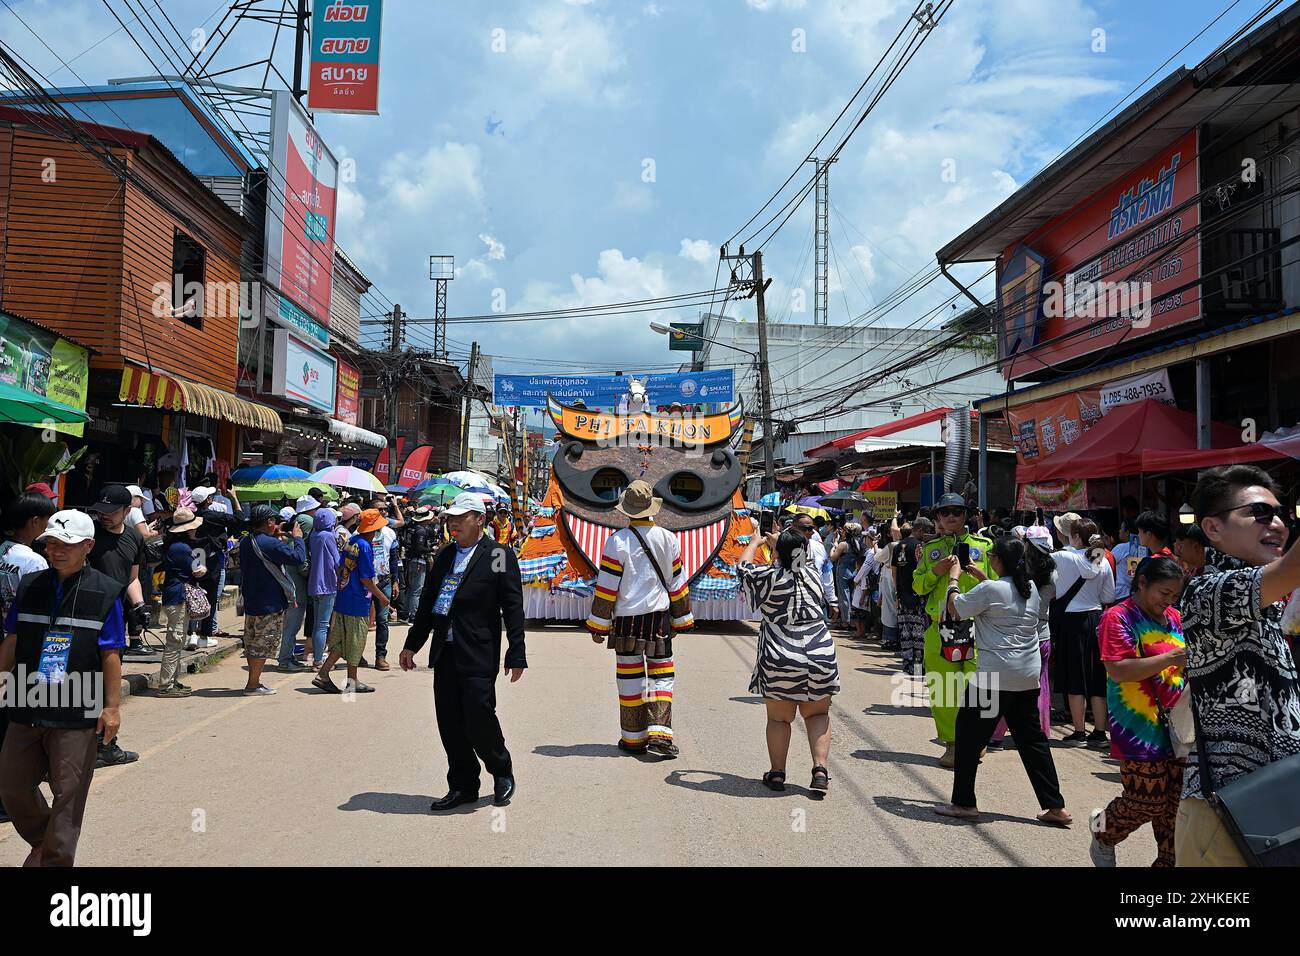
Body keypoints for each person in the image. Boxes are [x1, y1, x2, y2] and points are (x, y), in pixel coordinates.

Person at [1176, 465, 1300, 866]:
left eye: (1283, 514)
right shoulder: (1206, 592)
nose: (1278, 524)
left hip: (1278, 806)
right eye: (1260, 513)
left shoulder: (1272, 603)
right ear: (1213, 529)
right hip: (1225, 813)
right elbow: (1292, 569)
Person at [0, 509, 125, 866]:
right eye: (51, 543)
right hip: (27, 695)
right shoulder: (31, 584)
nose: (56, 551)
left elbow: (111, 653)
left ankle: (54, 861)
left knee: (68, 792)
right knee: (11, 784)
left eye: (65, 545)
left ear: (88, 546)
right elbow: (13, 638)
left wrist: (112, 707)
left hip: (77, 700)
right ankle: (42, 840)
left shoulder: (106, 591)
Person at [933, 536, 1072, 826]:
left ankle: (964, 803)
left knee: (969, 737)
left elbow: (956, 607)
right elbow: (1003, 596)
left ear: (997, 559)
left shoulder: (991, 589)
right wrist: (984, 578)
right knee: (1032, 741)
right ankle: (1055, 805)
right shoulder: (1030, 587)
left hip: (993, 677)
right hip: (1026, 674)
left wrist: (954, 580)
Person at [402, 492, 526, 811]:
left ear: (479, 520)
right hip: (446, 649)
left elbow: (512, 605)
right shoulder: (444, 555)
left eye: (461, 517)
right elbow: (429, 602)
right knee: (450, 720)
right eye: (451, 518)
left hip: (479, 650)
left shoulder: (498, 554)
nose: (453, 523)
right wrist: (412, 644)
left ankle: (501, 771)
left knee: (478, 714)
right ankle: (463, 785)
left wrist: (516, 652)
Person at [1090, 555, 1188, 867]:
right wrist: (1172, 658)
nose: (1169, 601)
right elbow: (1119, 669)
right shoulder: (1117, 617)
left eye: (1174, 595)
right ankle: (1102, 829)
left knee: (1176, 808)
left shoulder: (1174, 617)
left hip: (1180, 726)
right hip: (1138, 727)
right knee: (1146, 802)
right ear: (1142, 583)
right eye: (1164, 593)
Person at [585, 480, 693, 757]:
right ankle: (661, 734)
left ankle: (633, 739)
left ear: (627, 511)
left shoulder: (616, 542)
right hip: (658, 620)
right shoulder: (669, 539)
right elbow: (677, 582)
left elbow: (607, 587)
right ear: (651, 508)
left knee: (630, 680)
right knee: (662, 676)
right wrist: (680, 619)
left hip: (626, 623)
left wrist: (599, 624)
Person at [738, 528, 839, 794]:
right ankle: (820, 770)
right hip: (820, 653)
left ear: (777, 554)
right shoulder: (812, 575)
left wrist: (755, 542)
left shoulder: (768, 577)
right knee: (817, 713)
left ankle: (777, 773)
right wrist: (781, 546)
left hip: (781, 654)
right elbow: (797, 561)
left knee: (780, 719)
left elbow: (743, 568)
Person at [913, 493, 995, 768]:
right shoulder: (930, 549)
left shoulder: (985, 547)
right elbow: (918, 587)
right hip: (941, 629)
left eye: (957, 512)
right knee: (944, 689)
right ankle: (952, 744)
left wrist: (980, 577)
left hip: (978, 628)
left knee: (979, 687)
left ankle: (978, 739)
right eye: (945, 512)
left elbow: (1000, 587)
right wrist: (935, 571)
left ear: (965, 515)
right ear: (937, 518)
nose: (951, 516)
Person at [85, 485, 145, 768]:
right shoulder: (88, 534)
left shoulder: (134, 536)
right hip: (83, 618)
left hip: (114, 620)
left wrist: (139, 605)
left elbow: (131, 578)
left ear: (127, 511)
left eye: (111, 512)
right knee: (82, 681)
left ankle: (104, 745)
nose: (104, 516)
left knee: (107, 681)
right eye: (101, 511)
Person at [1050, 516, 1115, 747]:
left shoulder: (1062, 557)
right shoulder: (1103, 559)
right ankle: (1099, 732)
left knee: (1074, 677)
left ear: (1075, 536)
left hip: (1071, 621)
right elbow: (1109, 597)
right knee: (1097, 677)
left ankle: (1078, 732)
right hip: (1096, 619)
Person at [313, 508, 390, 694]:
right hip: (357, 601)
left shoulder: (352, 541)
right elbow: (366, 579)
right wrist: (382, 597)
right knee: (355, 641)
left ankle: (324, 674)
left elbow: (340, 568)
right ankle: (351, 681)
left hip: (343, 597)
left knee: (341, 641)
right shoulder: (364, 546)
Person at [238, 505, 305, 696]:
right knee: (263, 644)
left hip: (252, 600)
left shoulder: (246, 541)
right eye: (274, 521)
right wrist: (298, 538)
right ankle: (252, 685)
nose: (276, 524)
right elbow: (298, 558)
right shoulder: (271, 544)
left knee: (252, 643)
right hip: (269, 602)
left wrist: (276, 537)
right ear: (268, 522)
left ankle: (254, 681)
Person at [156, 507, 206, 698]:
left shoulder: (177, 546)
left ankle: (171, 682)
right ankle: (166, 685)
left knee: (177, 640)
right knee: (175, 640)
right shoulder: (182, 548)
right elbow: (198, 571)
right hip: (177, 597)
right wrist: (203, 568)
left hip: (175, 595)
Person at [278, 495, 319, 672]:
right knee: (291, 626)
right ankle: (285, 660)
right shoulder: (301, 534)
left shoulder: (292, 536)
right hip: (296, 590)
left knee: (291, 626)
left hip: (293, 587)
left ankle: (287, 658)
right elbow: (302, 566)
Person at [895, 516, 931, 676]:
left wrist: (897, 594)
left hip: (903, 597)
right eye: (927, 532)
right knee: (919, 637)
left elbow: (894, 572)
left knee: (905, 635)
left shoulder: (898, 546)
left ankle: (907, 667)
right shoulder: (920, 547)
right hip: (918, 598)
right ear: (920, 530)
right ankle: (917, 669)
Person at [367, 499, 399, 671]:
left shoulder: (389, 533)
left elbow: (394, 558)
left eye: (386, 509)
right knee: (358, 621)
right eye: (380, 509)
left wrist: (395, 581)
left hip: (385, 580)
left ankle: (381, 656)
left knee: (382, 621)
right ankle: (355, 656)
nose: (385, 512)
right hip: (363, 583)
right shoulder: (359, 533)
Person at [307, 507, 340, 669]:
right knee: (323, 624)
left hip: (314, 583)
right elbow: (337, 561)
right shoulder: (328, 536)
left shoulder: (313, 535)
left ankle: (317, 656)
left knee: (317, 624)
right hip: (328, 583)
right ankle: (318, 660)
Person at [789, 513, 839, 620]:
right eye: (803, 528)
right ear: (793, 528)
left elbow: (827, 575)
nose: (808, 532)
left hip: (817, 602)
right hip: (791, 603)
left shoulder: (819, 547)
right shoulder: (784, 546)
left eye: (810, 528)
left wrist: (832, 601)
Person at [1111, 520, 1148, 601]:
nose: (1119, 531)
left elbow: (1109, 563)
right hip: (1136, 593)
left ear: (1127, 532)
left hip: (1120, 593)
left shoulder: (1121, 547)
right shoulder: (1143, 548)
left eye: (1121, 528)